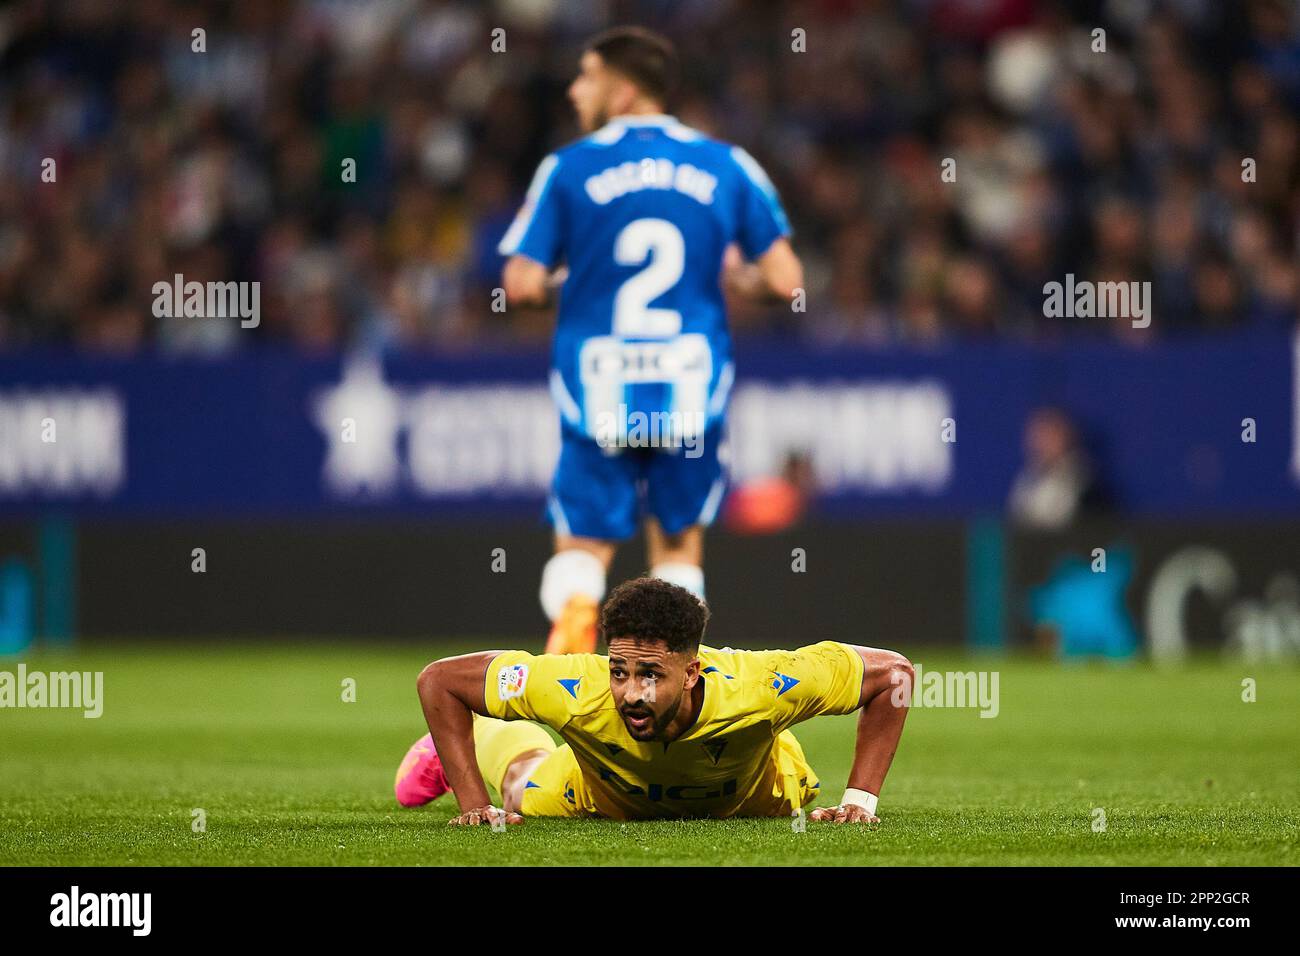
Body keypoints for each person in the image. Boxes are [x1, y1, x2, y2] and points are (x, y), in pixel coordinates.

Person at [498, 26, 804, 653]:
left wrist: (578, 279)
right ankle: (673, 684)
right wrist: (737, 275)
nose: (574, 88)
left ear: (624, 89)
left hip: (599, 383)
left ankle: (577, 659)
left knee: (583, 543)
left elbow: (521, 284)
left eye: (587, 74)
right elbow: (785, 279)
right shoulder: (727, 164)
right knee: (676, 544)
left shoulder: (569, 167)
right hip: (689, 385)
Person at [394, 577, 912, 825]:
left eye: (650, 675)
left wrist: (857, 802)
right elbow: (439, 681)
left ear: (691, 672)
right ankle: (474, 740)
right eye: (619, 671)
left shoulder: (764, 682)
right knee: (517, 784)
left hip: (757, 795)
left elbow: (894, 675)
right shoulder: (576, 686)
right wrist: (474, 807)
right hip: (601, 796)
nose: (630, 693)